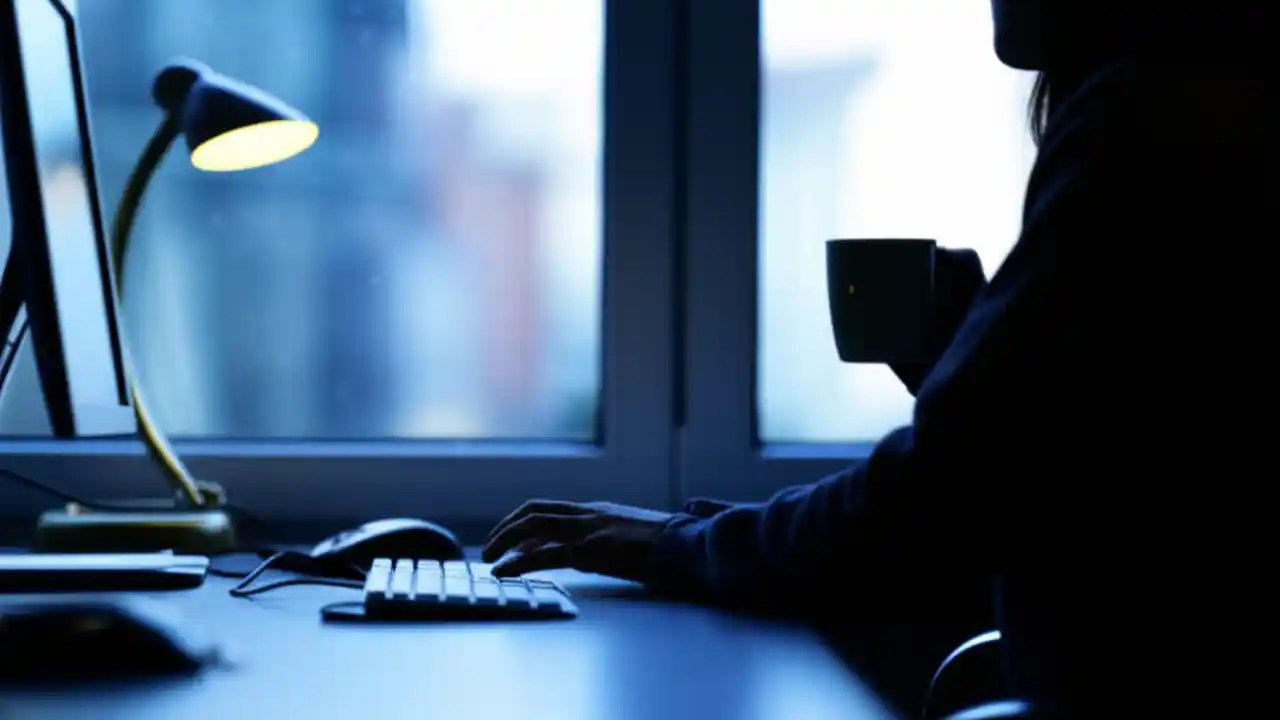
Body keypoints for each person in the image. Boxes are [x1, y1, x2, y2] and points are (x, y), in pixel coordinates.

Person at [484, 2, 1266, 715]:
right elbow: (1069, 479)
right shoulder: (1188, 103)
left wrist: (676, 546)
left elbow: (945, 498)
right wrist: (972, 369)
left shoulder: (1149, 121)